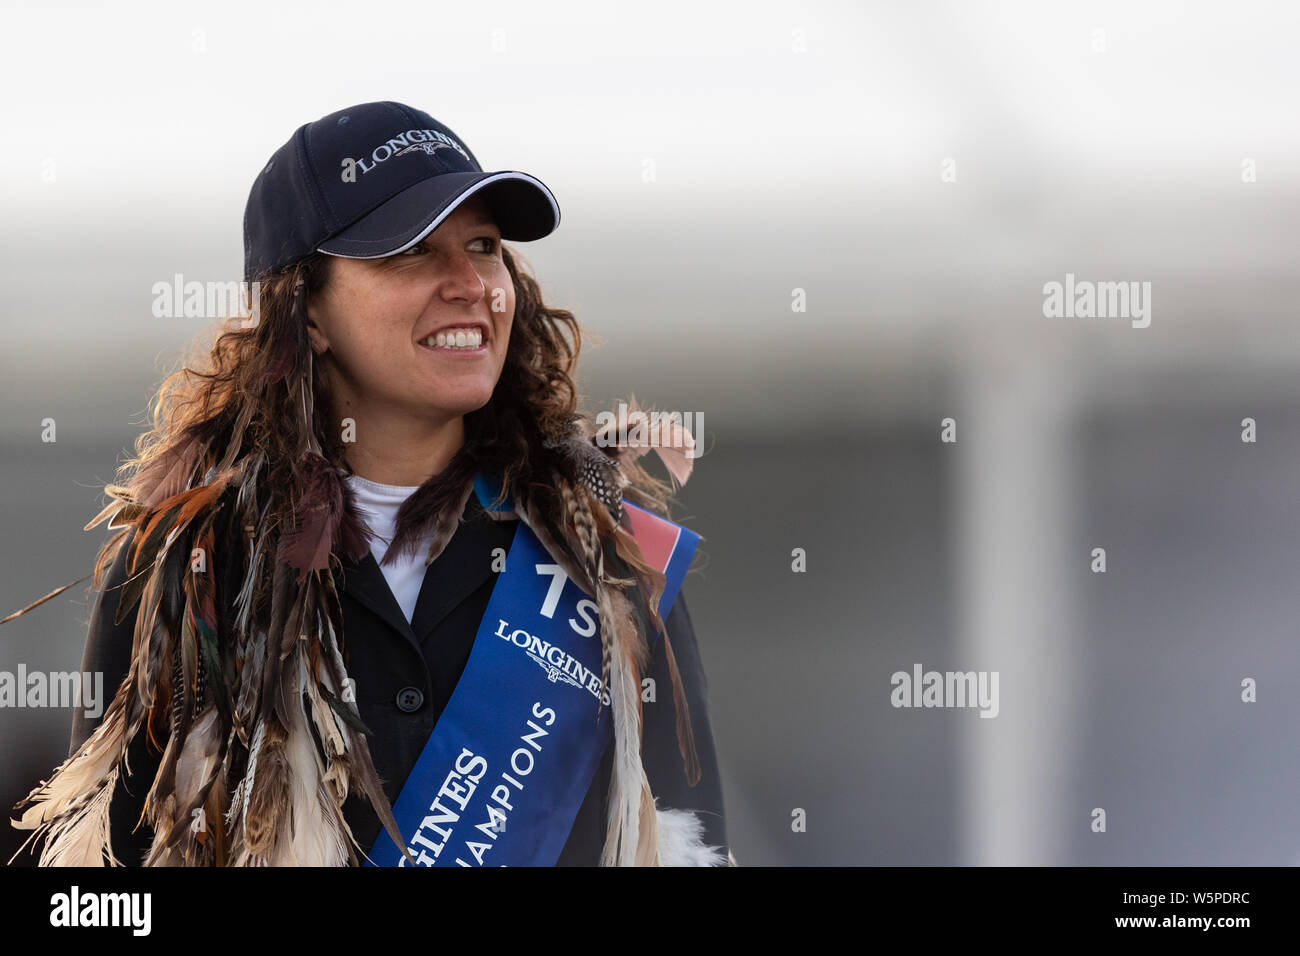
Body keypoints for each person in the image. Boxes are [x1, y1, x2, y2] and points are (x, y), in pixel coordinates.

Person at [8, 101, 732, 867]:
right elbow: (105, 886)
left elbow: (693, 844)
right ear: (307, 314)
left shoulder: (606, 551)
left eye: (484, 246)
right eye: (410, 252)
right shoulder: (191, 565)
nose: (469, 283)